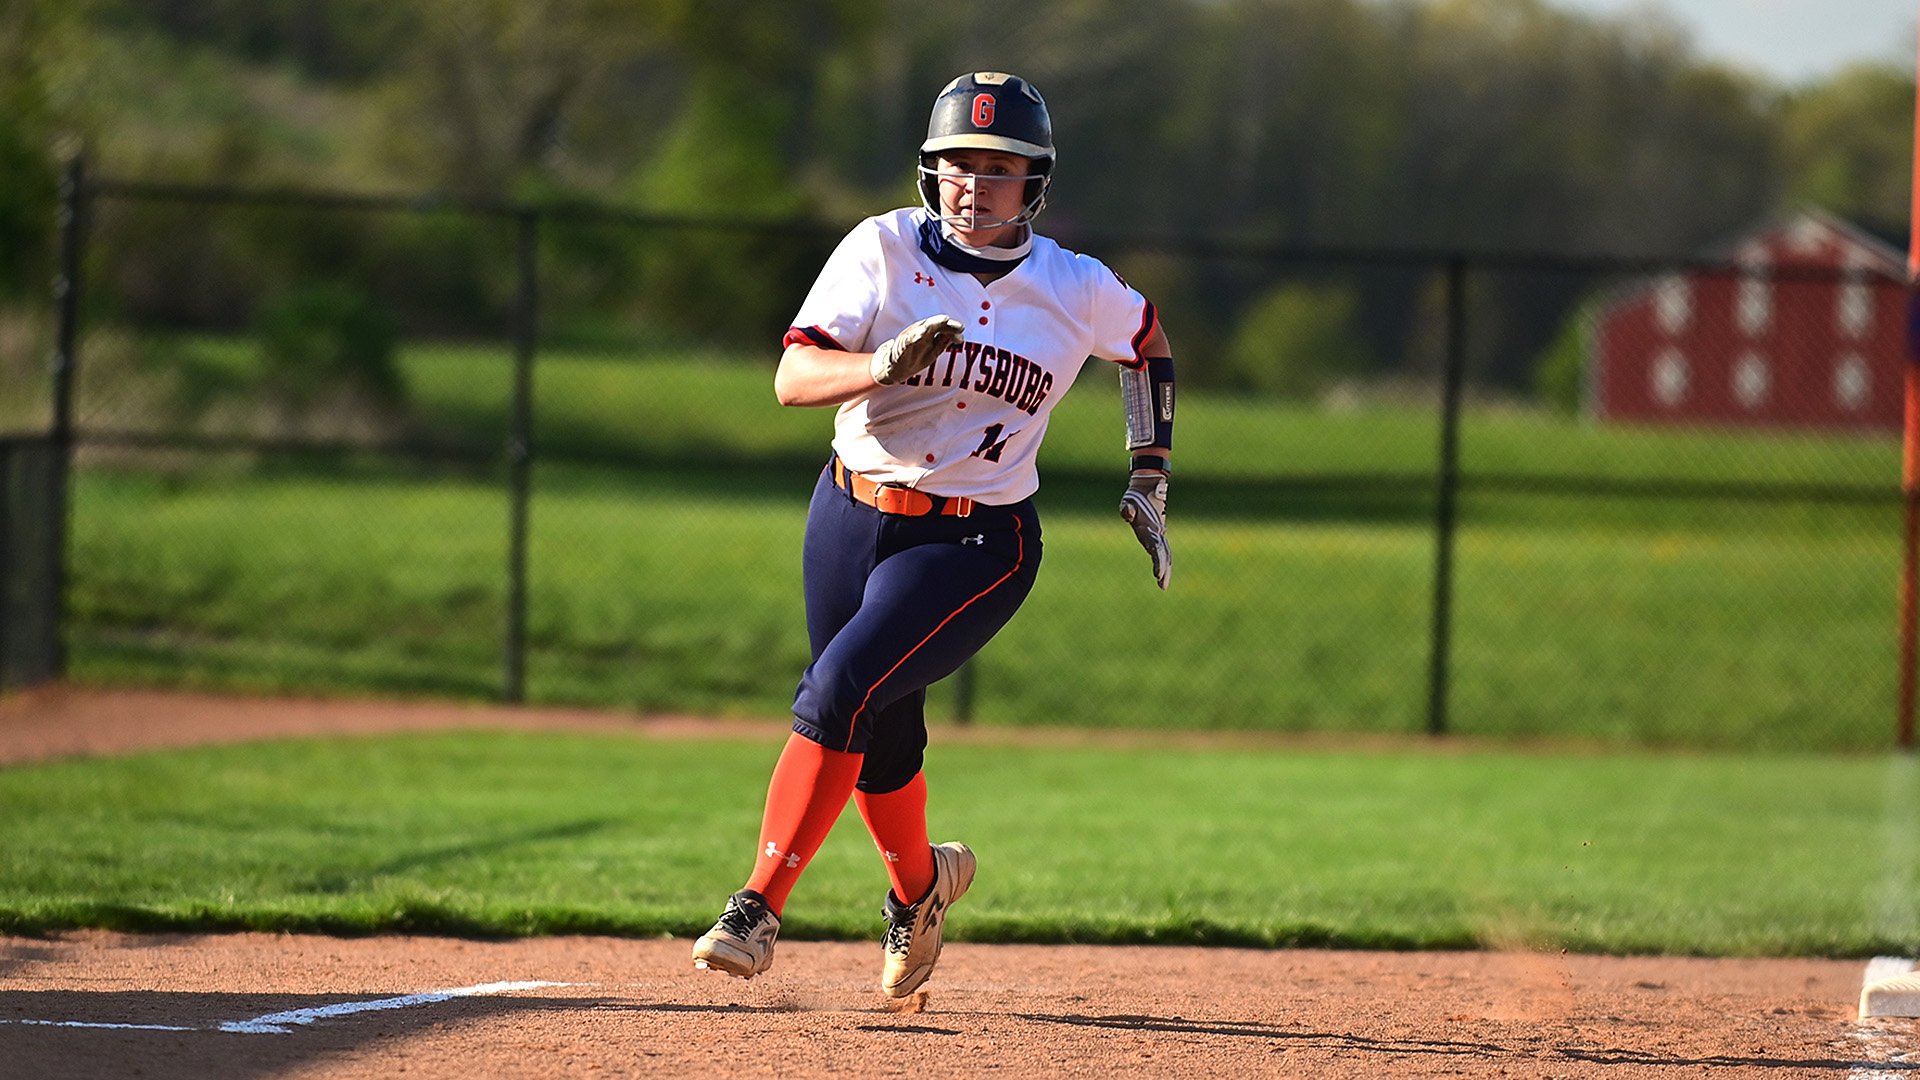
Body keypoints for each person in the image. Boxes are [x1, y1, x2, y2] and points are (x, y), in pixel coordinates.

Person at [691, 71, 1177, 998]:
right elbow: (793, 380)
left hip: (977, 542)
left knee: (836, 689)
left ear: (1036, 183)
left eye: (999, 168)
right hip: (848, 511)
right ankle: (921, 891)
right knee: (879, 729)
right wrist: (878, 363)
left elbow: (1147, 341)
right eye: (957, 164)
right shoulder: (879, 249)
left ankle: (754, 908)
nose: (972, 185)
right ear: (929, 170)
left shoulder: (1073, 286)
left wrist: (1149, 466)